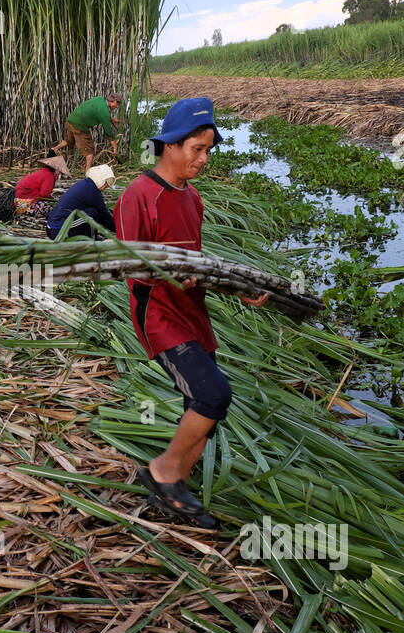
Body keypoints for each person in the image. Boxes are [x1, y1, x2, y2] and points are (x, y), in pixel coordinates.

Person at [115, 97, 268, 527]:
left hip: (194, 316)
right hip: (159, 319)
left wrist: (238, 289)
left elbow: (197, 264)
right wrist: (166, 275)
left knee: (205, 411)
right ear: (169, 145)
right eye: (196, 149)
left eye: (208, 150)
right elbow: (128, 266)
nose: (203, 159)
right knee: (213, 394)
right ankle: (163, 470)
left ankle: (175, 489)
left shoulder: (193, 199)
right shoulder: (138, 196)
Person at [53, 93, 122, 171]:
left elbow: (97, 111)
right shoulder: (104, 112)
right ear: (114, 101)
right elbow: (108, 131)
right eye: (117, 105)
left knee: (68, 141)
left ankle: (55, 149)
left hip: (71, 121)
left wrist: (112, 119)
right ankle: (87, 174)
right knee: (89, 153)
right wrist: (115, 147)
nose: (116, 107)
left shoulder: (99, 99)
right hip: (79, 127)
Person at [47, 164, 116, 240]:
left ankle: (86, 237)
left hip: (53, 227)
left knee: (93, 212)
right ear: (100, 180)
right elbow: (105, 217)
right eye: (105, 184)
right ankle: (91, 242)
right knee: (93, 214)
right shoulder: (92, 191)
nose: (104, 187)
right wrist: (119, 231)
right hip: (58, 230)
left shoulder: (86, 184)